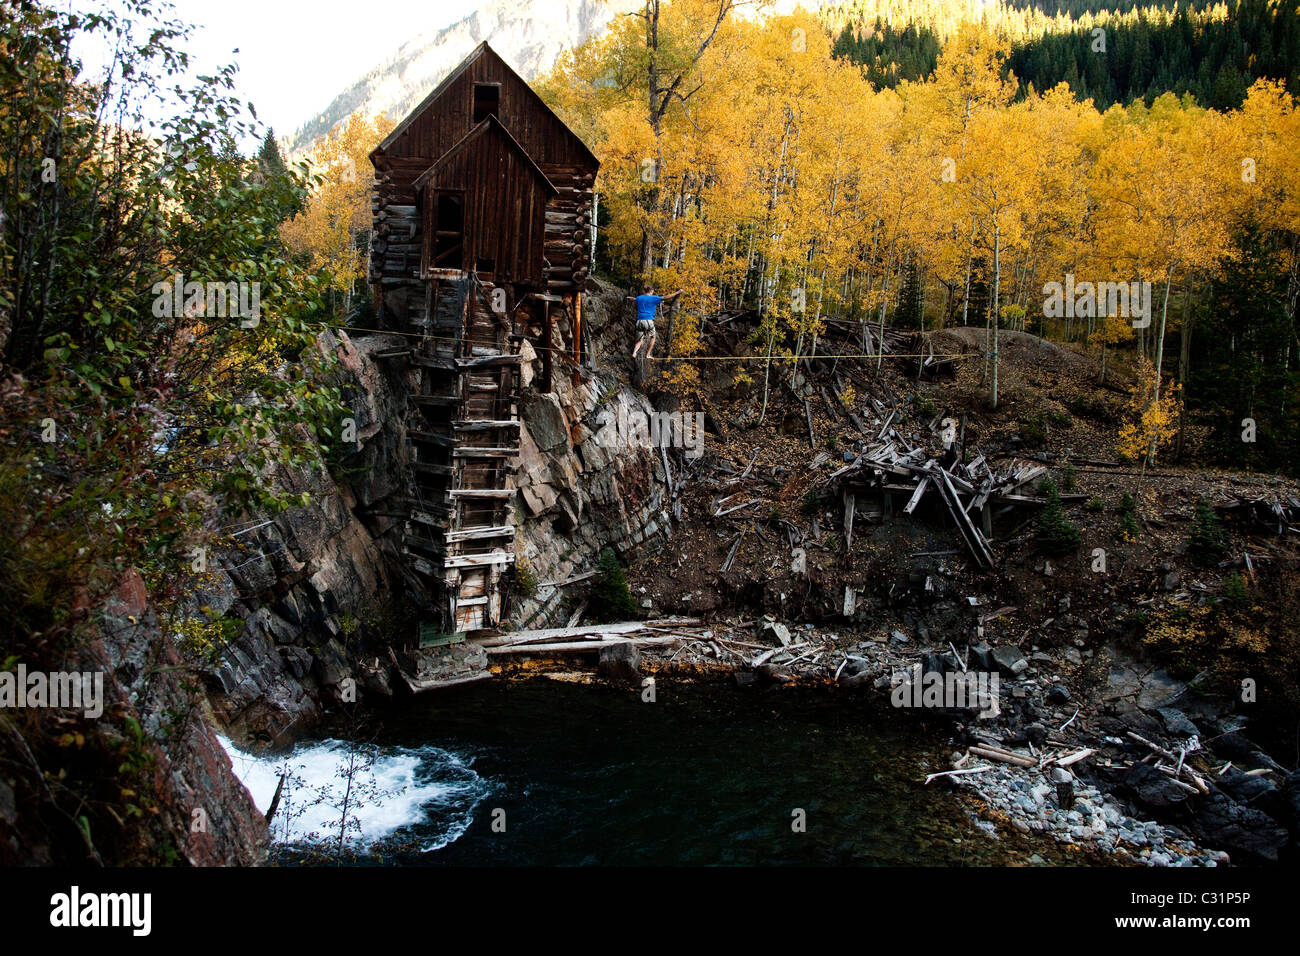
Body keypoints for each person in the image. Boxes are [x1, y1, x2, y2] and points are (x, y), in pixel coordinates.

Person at [627, 284, 682, 361]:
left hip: (639, 321)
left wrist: (629, 298)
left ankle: (634, 353)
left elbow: (634, 299)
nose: (653, 292)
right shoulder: (654, 298)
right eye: (652, 291)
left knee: (640, 340)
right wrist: (677, 292)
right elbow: (666, 297)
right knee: (653, 337)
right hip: (648, 321)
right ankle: (648, 354)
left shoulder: (639, 298)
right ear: (650, 291)